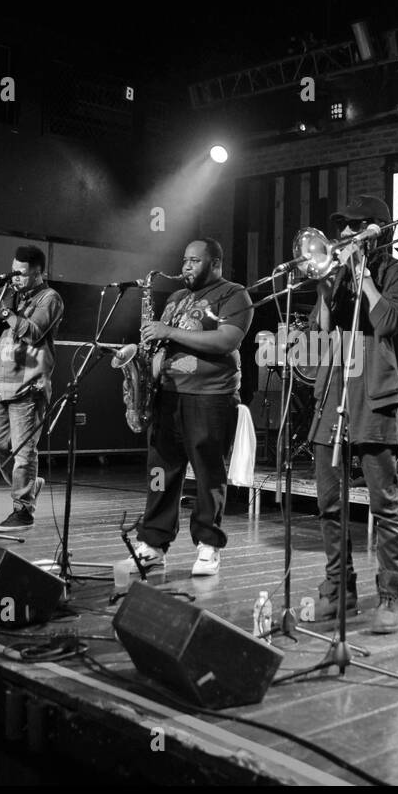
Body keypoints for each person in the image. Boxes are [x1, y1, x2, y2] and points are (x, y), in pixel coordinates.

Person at [309, 195, 398, 634]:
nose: (344, 236)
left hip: (374, 394)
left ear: (377, 230)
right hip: (332, 391)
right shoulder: (336, 276)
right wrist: (326, 285)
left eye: (354, 228)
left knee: (384, 504)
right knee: (328, 503)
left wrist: (363, 276)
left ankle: (390, 594)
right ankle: (340, 588)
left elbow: (390, 320)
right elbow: (321, 329)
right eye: (343, 229)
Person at [133, 239, 252, 576]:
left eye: (194, 261)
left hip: (211, 397)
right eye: (184, 260)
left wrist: (168, 331)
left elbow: (226, 340)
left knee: (207, 474)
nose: (185, 267)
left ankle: (208, 546)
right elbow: (162, 342)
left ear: (215, 263)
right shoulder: (175, 299)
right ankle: (152, 544)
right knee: (160, 473)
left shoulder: (234, 294)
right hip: (168, 396)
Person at [0, 246, 65, 530]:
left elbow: (33, 333)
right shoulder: (12, 296)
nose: (15, 278)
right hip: (0, 384)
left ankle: (23, 509)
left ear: (38, 272)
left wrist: (5, 309)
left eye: (21, 274)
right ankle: (30, 485)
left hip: (29, 385)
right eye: (14, 271)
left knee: (24, 453)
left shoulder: (50, 298)